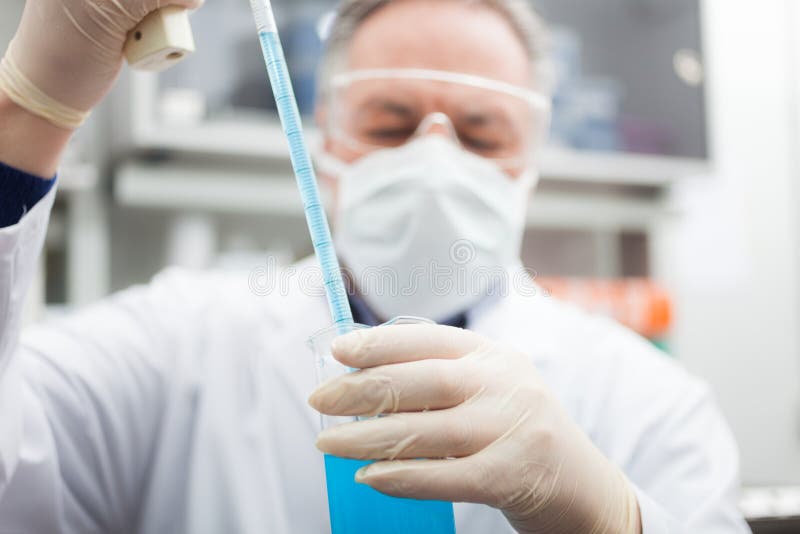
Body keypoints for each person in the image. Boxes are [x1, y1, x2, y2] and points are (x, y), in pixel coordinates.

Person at [0, 0, 750, 532]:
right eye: (390, 123)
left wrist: (614, 524)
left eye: (482, 132)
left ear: (532, 159)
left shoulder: (649, 402)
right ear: (321, 141)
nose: (434, 156)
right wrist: (26, 111)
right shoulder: (173, 347)